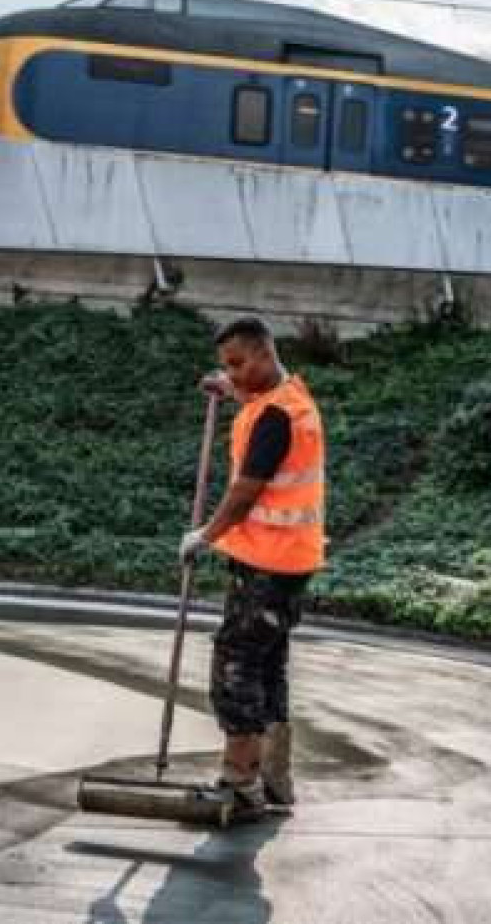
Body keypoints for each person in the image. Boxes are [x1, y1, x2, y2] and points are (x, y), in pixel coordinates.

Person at [180, 316, 325, 822]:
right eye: (227, 367)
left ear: (265, 353)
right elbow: (256, 402)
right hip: (286, 559)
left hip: (269, 563)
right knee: (268, 663)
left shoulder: (275, 418)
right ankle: (273, 778)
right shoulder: (285, 400)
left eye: (238, 363)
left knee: (236, 663)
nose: (233, 375)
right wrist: (229, 387)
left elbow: (245, 492)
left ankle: (240, 784)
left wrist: (205, 536)